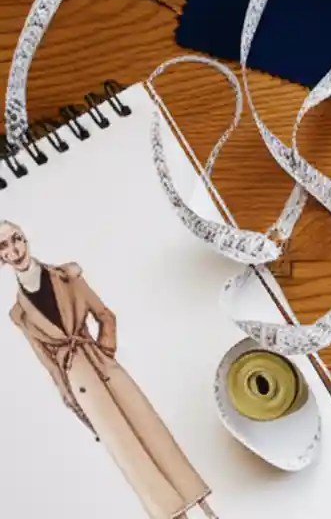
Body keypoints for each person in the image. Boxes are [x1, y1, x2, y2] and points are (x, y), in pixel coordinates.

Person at [2, 220, 218, 518]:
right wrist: (74, 404)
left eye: (17, 239)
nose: (14, 249)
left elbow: (105, 315)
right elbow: (50, 366)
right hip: (82, 386)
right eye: (5, 246)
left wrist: (104, 352)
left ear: (26, 239)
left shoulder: (67, 275)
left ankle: (205, 508)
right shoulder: (19, 314)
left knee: (152, 433)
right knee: (129, 455)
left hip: (103, 365)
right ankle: (173, 514)